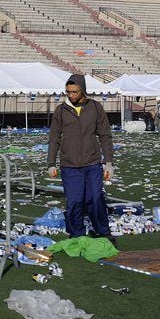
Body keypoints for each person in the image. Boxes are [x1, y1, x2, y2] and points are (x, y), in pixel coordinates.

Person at [47, 75, 116, 244]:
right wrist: (51, 163)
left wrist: (109, 162)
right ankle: (76, 233)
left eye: (74, 92)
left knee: (95, 198)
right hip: (69, 165)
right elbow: (54, 137)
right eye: (68, 92)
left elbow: (105, 136)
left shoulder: (95, 107)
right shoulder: (60, 111)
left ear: (82, 90)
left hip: (92, 163)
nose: (71, 95)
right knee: (75, 201)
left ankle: (102, 231)